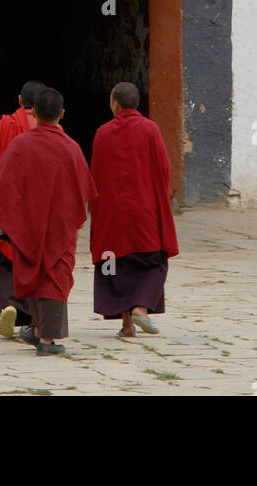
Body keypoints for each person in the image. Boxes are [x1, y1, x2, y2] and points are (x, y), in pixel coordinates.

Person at [0, 87, 96, 356]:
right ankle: (47, 338)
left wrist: (12, 223)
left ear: (33, 112)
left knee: (33, 274)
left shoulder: (20, 146)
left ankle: (36, 328)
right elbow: (85, 193)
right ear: (62, 114)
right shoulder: (71, 148)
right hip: (59, 227)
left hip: (27, 228)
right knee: (54, 276)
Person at [90, 81, 178, 338]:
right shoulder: (151, 129)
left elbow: (95, 176)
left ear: (115, 103)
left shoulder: (102, 133)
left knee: (116, 266)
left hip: (113, 215)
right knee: (153, 263)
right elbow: (163, 170)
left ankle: (127, 324)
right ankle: (141, 309)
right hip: (145, 211)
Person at [0, 79, 45, 343]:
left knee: (7, 260)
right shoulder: (49, 128)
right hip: (39, 207)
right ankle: (33, 315)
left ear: (20, 100)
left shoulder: (5, 126)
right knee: (36, 259)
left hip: (8, 205)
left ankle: (10, 307)